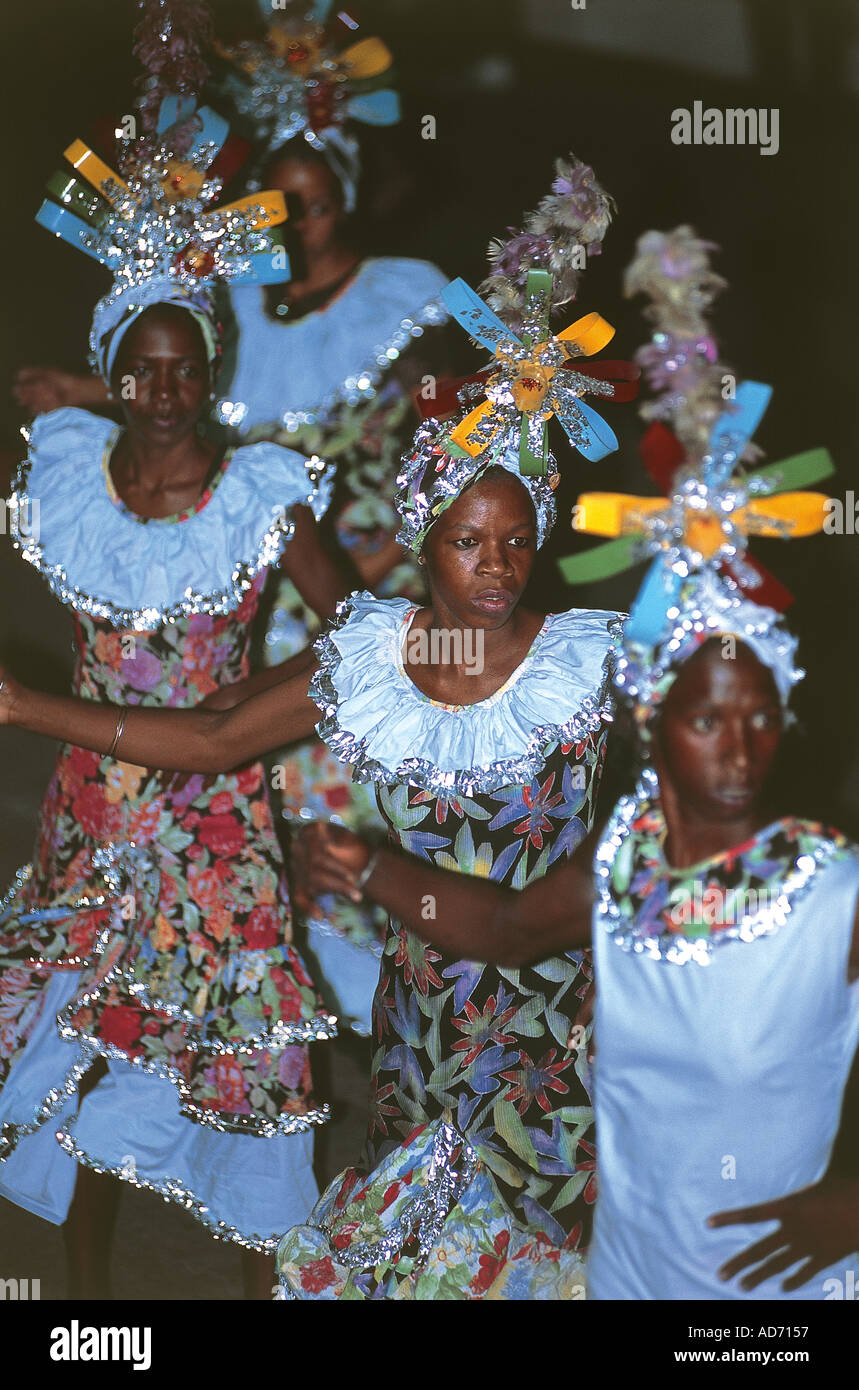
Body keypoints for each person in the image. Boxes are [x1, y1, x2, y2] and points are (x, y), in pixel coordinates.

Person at [277, 230, 859, 1300]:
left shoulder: (823, 881)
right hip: (588, 1206)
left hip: (704, 1228)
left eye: (753, 721)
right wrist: (362, 869)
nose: (728, 749)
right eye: (699, 719)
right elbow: (499, 926)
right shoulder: (625, 859)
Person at [14, 26, 451, 1036]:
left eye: (318, 203)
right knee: (211, 812)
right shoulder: (236, 300)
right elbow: (195, 408)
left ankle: (339, 1004)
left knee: (328, 809)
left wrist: (397, 569)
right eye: (280, 203)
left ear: (350, 194)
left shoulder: (397, 303)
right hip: (240, 575)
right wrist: (90, 392)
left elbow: (431, 451)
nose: (296, 225)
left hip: (345, 571)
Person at [0, 98, 350, 1300]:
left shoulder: (260, 493)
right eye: (140, 369)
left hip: (216, 826)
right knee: (99, 1048)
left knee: (245, 1052)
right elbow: (30, 386)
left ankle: (259, 1274)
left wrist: (259, 692)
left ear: (210, 371)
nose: (163, 389)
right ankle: (84, 1308)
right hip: (92, 816)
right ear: (115, 375)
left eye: (183, 366)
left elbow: (349, 618)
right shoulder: (70, 478)